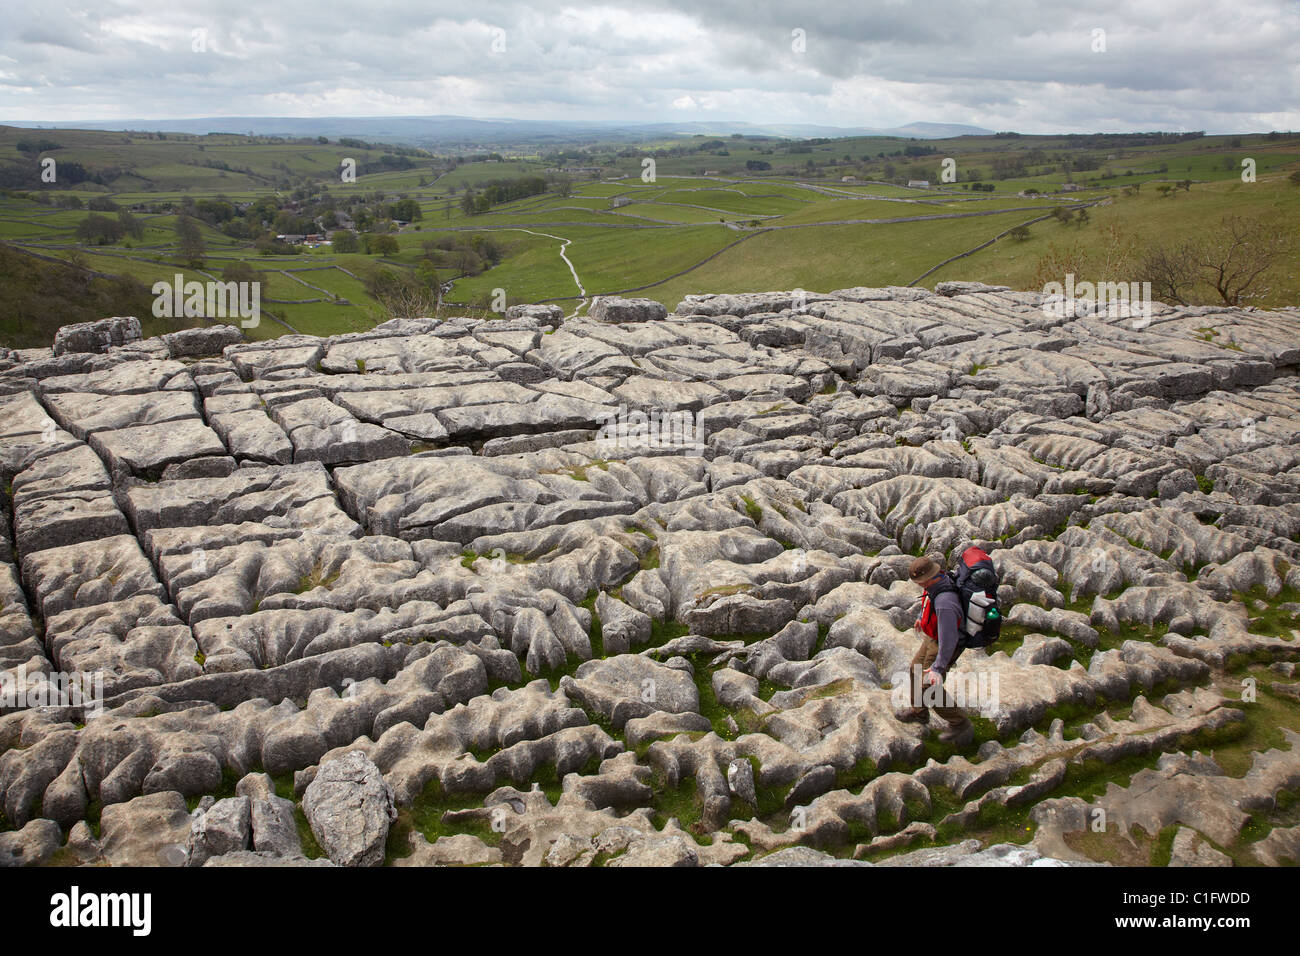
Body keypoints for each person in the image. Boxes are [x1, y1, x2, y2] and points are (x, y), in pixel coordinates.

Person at [894, 555, 974, 745]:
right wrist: (922, 618)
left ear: (928, 578)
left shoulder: (946, 601)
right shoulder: (936, 584)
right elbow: (929, 601)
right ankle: (919, 712)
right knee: (915, 668)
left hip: (943, 643)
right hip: (933, 636)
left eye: (920, 581)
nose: (919, 585)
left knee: (928, 686)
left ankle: (959, 722)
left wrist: (938, 668)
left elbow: (950, 638)